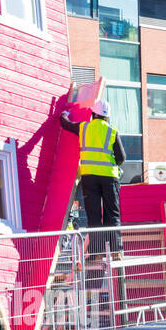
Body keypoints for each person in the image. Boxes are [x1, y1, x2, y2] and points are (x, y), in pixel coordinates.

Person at [59, 99, 125, 255]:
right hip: (109, 178)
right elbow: (121, 158)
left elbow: (65, 123)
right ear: (106, 117)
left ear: (92, 114)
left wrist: (65, 113)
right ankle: (115, 251)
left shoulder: (84, 128)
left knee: (94, 216)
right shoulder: (112, 131)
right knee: (112, 214)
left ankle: (96, 251)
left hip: (90, 178)